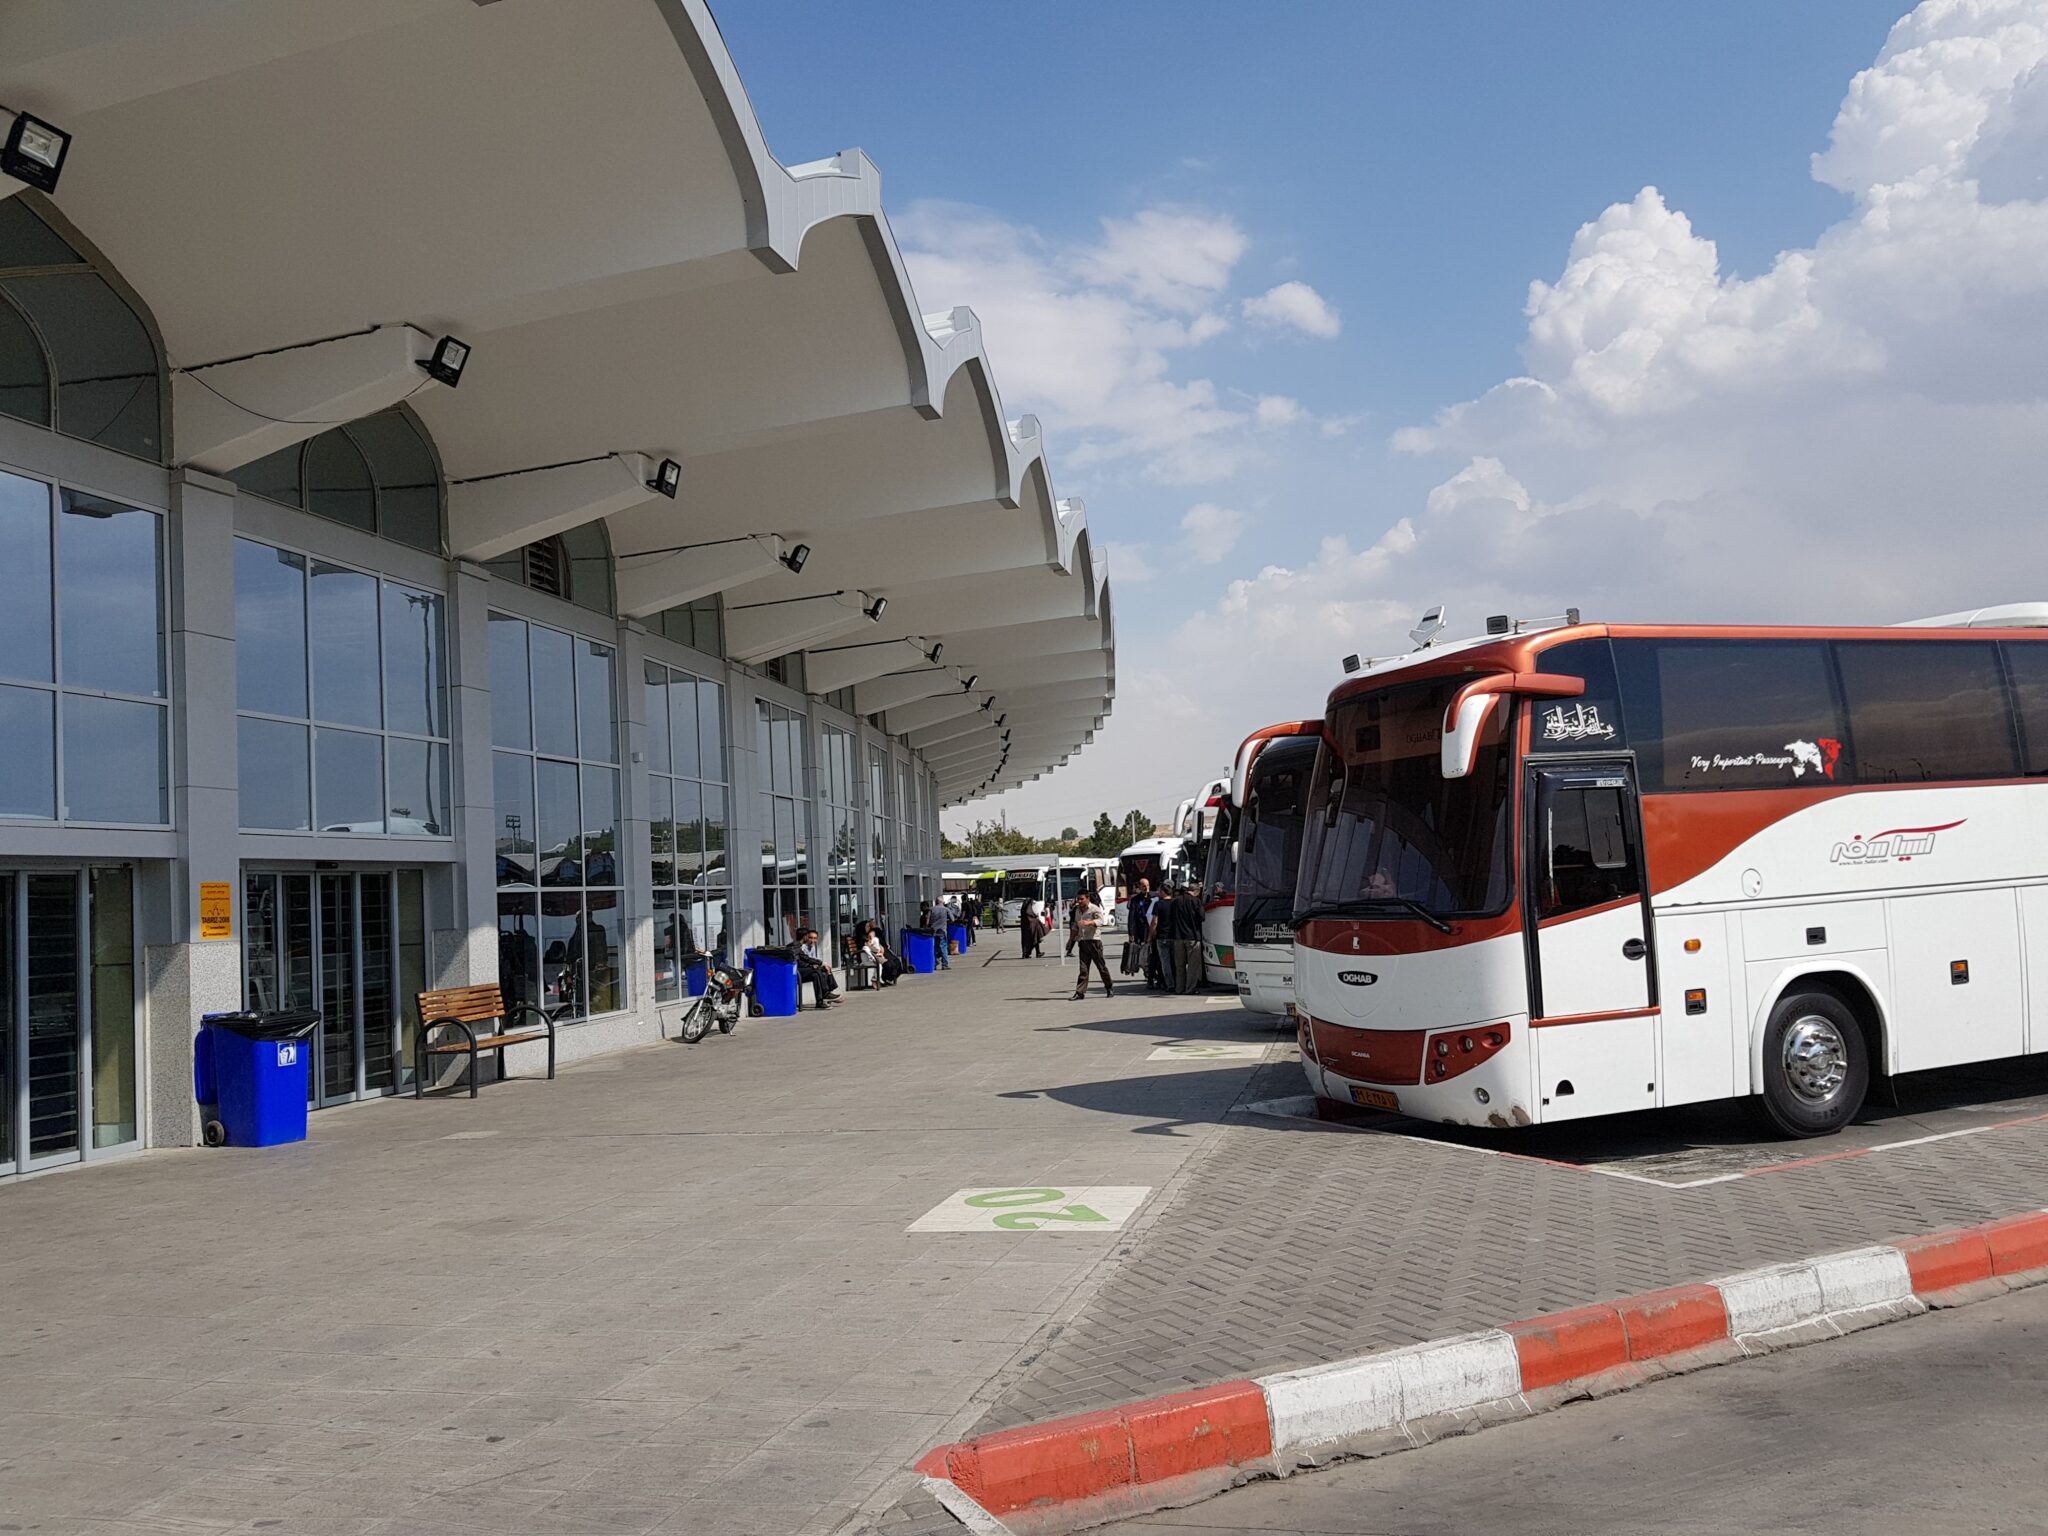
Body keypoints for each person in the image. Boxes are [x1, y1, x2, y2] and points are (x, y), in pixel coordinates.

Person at [1069, 888, 1114, 999]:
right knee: (1083, 969)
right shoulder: (1077, 910)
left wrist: (1090, 922)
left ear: (1087, 898)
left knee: (1101, 967)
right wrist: (1070, 941)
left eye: (1082, 899)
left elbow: (1101, 921)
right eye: (1078, 899)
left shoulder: (1094, 909)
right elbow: (1075, 926)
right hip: (1082, 942)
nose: (1079, 901)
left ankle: (1109, 987)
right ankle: (1080, 992)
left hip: (1094, 941)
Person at [1170, 882, 1205, 994]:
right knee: (1193, 965)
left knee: (1179, 965)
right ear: (1196, 892)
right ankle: (1190, 988)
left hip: (1178, 937)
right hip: (1193, 937)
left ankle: (1179, 988)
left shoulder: (1176, 901)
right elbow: (1202, 917)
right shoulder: (1196, 901)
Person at [796, 928, 840, 1007]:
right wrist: (819, 964)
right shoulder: (800, 947)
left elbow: (811, 959)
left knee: (818, 973)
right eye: (810, 937)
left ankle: (823, 999)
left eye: (815, 938)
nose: (812, 940)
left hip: (807, 969)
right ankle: (826, 994)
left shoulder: (811, 947)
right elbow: (804, 960)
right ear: (805, 937)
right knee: (818, 971)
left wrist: (820, 965)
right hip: (800, 971)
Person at [1123, 879, 1153, 977]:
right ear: (1139, 887)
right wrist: (1131, 933)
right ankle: (1143, 970)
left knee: (1151, 953)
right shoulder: (1135, 900)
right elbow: (1131, 917)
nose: (1146, 888)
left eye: (1147, 885)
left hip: (1151, 929)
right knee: (1141, 951)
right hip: (1140, 929)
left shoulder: (1153, 898)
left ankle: (1150, 973)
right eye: (1143, 886)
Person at [1019, 894, 1044, 959]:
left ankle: (1036, 952)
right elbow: (1030, 916)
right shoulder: (1028, 910)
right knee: (1033, 939)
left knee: (1034, 939)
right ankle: (1027, 953)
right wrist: (1035, 917)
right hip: (1030, 928)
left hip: (1027, 928)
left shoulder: (1023, 909)